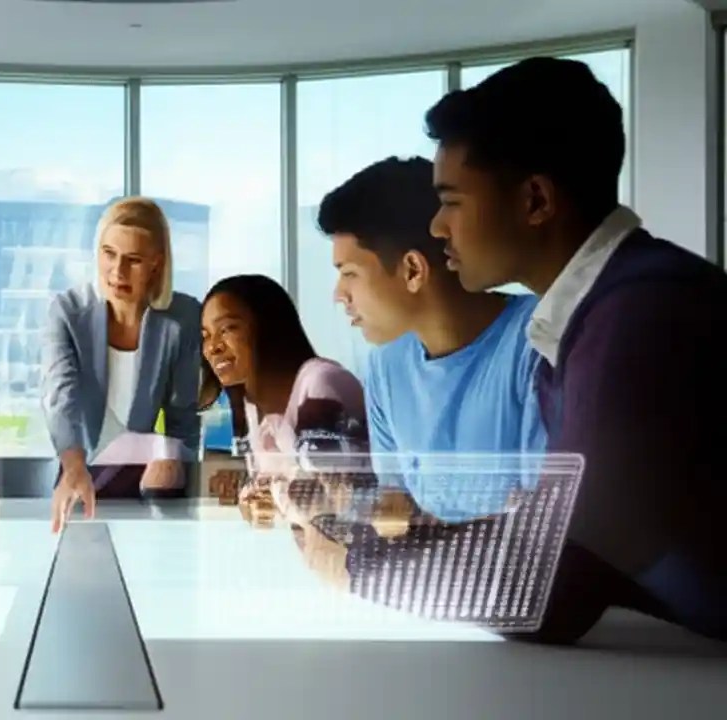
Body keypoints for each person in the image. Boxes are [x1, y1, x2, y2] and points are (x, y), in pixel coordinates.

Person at [303, 56, 727, 643]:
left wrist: (356, 567)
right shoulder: (598, 313)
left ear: (534, 201)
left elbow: (551, 582)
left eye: (452, 202)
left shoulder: (640, 315)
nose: (439, 228)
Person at [319, 156, 546, 522]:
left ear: (412, 270)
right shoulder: (385, 367)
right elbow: (396, 509)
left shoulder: (539, 342)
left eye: (349, 273)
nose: (338, 295)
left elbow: (546, 521)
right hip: (437, 578)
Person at [46, 197, 202, 531]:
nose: (117, 271)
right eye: (109, 254)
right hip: (79, 471)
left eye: (133, 260)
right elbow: (61, 400)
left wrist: (174, 464)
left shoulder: (183, 319)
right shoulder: (68, 313)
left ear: (156, 265)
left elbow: (183, 415)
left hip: (149, 480)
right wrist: (73, 466)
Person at [199, 274, 368, 521]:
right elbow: (276, 497)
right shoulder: (252, 407)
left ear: (268, 327)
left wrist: (272, 496)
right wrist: (252, 498)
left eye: (226, 329)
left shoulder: (321, 384)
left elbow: (329, 502)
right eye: (206, 335)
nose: (212, 347)